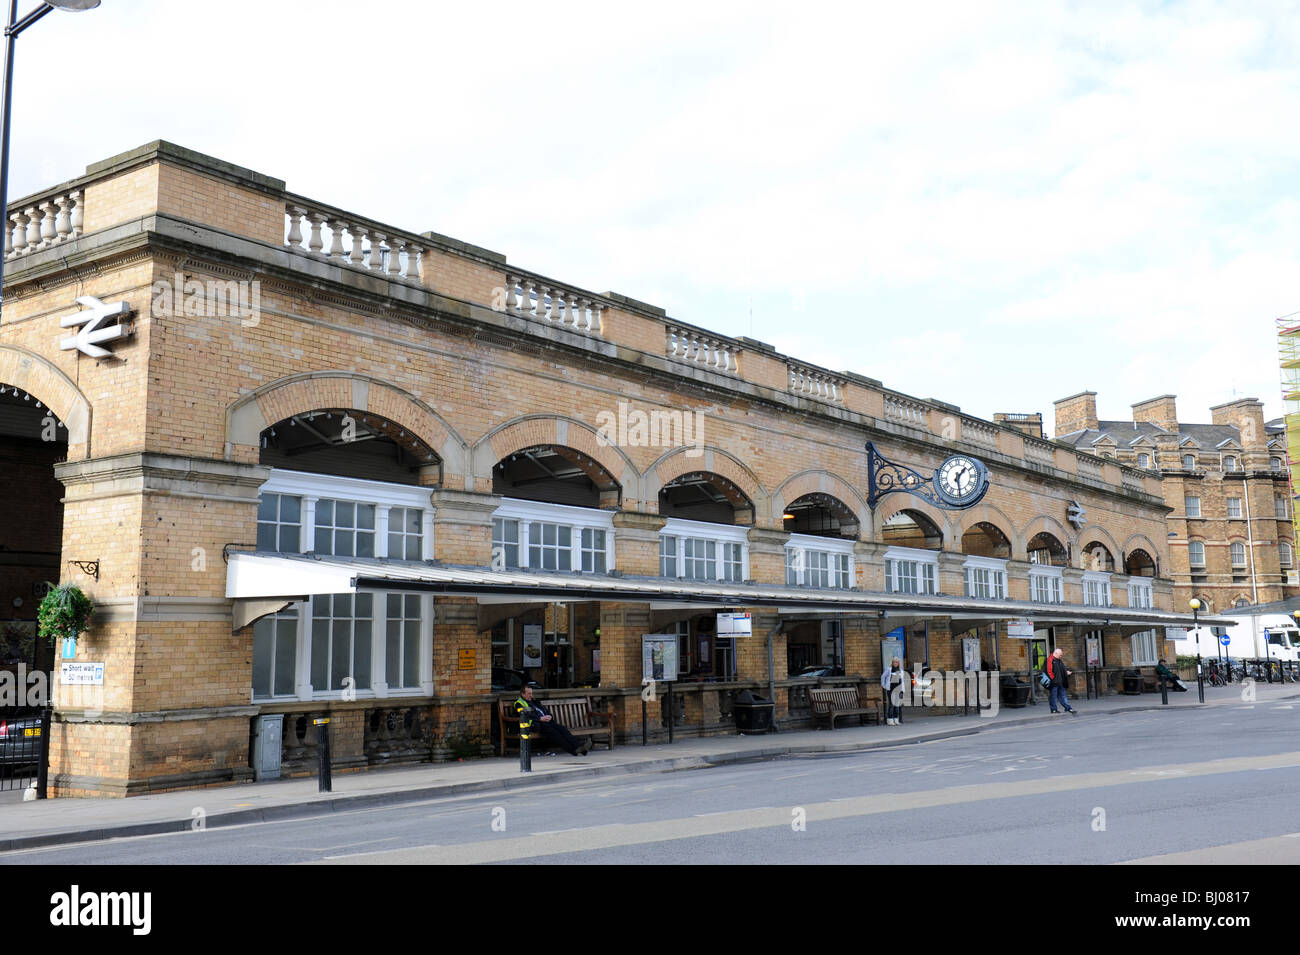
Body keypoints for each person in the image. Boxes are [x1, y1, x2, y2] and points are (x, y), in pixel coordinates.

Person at [514, 685, 591, 756]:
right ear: (523, 694)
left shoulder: (535, 702)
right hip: (535, 725)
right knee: (556, 734)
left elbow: (545, 711)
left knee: (563, 729)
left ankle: (580, 748)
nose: (531, 695)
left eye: (531, 693)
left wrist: (549, 716)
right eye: (529, 693)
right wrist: (540, 718)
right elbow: (526, 715)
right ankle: (573, 750)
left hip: (547, 722)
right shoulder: (520, 703)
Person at [1046, 648, 1077, 715]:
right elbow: (1049, 671)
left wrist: (1066, 672)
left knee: (1063, 696)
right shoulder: (1050, 659)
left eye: (1061, 655)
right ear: (1056, 653)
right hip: (1054, 682)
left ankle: (1068, 708)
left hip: (1060, 682)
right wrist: (1053, 680)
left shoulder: (1059, 660)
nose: (1061, 656)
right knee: (1053, 697)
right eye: (1060, 655)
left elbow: (1060, 670)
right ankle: (1053, 709)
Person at [880, 656, 905, 726]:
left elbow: (902, 681)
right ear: (892, 663)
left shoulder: (901, 670)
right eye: (894, 662)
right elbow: (882, 677)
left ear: (898, 663)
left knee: (897, 705)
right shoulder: (889, 669)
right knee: (891, 705)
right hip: (891, 690)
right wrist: (884, 686)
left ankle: (896, 719)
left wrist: (902, 690)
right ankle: (890, 720)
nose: (895, 663)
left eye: (896, 662)